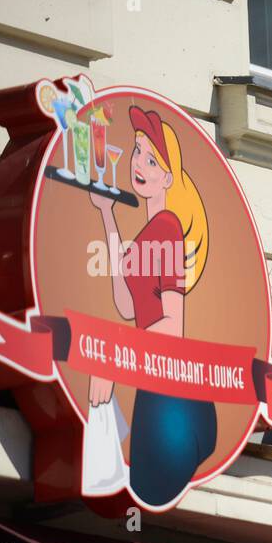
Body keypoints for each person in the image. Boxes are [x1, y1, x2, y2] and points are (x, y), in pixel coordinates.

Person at [88, 105, 217, 507]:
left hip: (170, 396)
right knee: (126, 481)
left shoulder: (168, 228)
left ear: (167, 176)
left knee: (136, 484)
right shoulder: (147, 234)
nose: (137, 163)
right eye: (136, 151)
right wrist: (107, 217)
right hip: (156, 385)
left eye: (150, 158)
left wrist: (114, 359)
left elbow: (172, 328)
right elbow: (126, 304)